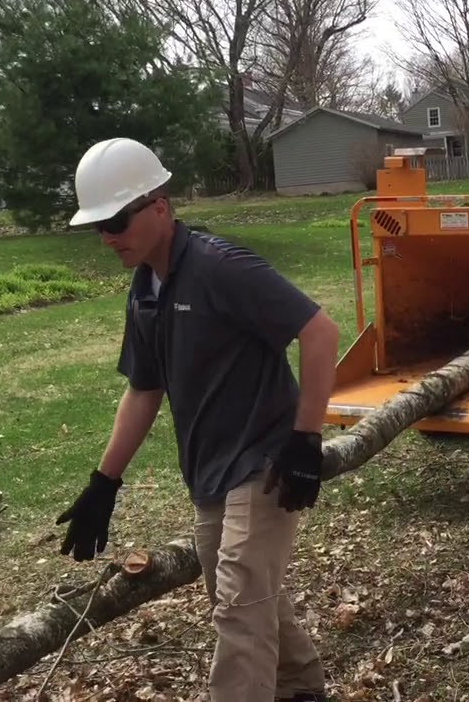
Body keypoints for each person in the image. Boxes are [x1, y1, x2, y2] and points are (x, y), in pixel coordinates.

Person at [54, 137, 340, 702]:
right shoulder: (146, 290)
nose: (107, 237)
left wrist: (306, 439)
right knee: (238, 593)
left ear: (159, 207)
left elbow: (320, 332)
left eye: (115, 221)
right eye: (98, 227)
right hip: (209, 471)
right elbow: (144, 389)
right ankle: (300, 687)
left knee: (239, 604)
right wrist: (104, 482)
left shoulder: (220, 267)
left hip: (265, 462)